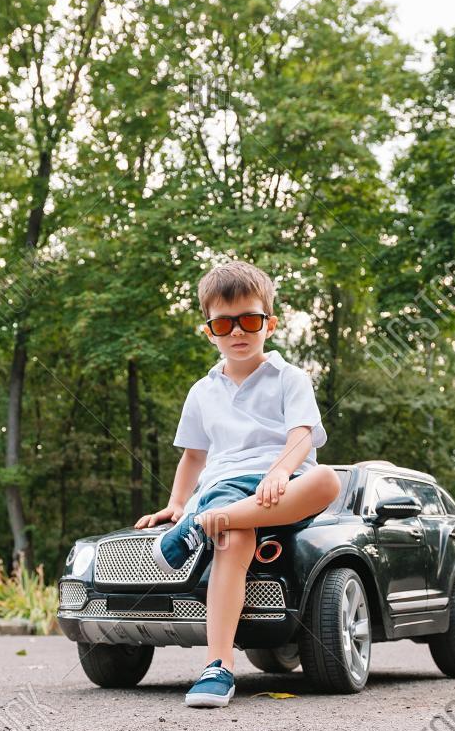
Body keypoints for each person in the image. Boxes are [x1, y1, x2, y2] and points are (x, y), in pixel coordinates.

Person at [135, 261, 341, 708]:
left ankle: (202, 525)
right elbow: (194, 455)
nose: (237, 332)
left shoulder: (290, 378)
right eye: (223, 324)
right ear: (208, 330)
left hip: (283, 486)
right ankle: (219, 666)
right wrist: (176, 503)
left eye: (249, 320)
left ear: (270, 322)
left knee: (326, 479)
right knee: (233, 538)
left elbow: (301, 435)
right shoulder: (202, 391)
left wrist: (280, 472)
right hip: (226, 486)